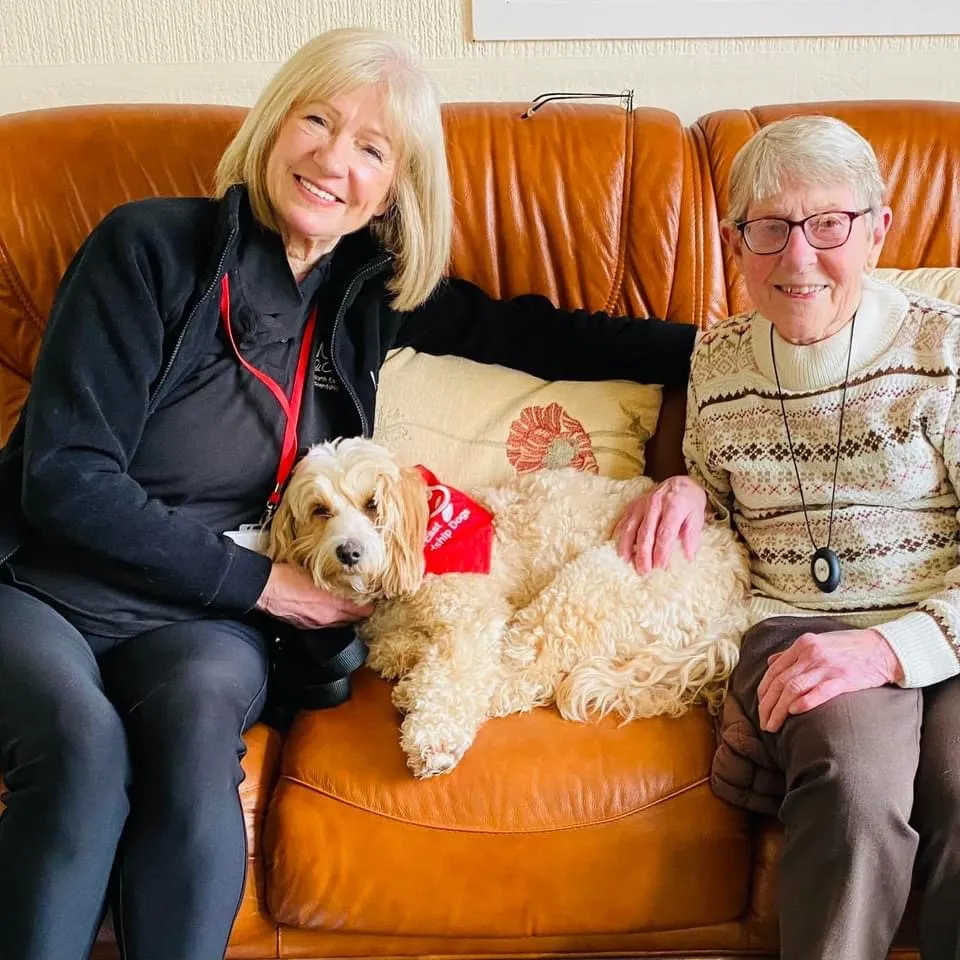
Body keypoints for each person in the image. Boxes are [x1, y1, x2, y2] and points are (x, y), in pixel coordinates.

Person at [0, 27, 695, 960]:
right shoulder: (147, 247)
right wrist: (265, 590)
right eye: (317, 120)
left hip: (196, 625)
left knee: (195, 747)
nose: (333, 159)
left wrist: (744, 351)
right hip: (45, 585)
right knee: (82, 756)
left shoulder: (366, 292)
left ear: (394, 188)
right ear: (273, 127)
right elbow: (65, 479)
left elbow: (551, 338)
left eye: (371, 147)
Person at [617, 113, 960, 960]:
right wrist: (689, 490)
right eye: (768, 229)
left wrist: (894, 647)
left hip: (944, 623)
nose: (797, 258)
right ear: (736, 243)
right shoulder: (720, 362)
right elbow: (725, 512)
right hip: (797, 625)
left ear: (879, 229)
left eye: (827, 224)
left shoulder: (944, 349)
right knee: (853, 784)